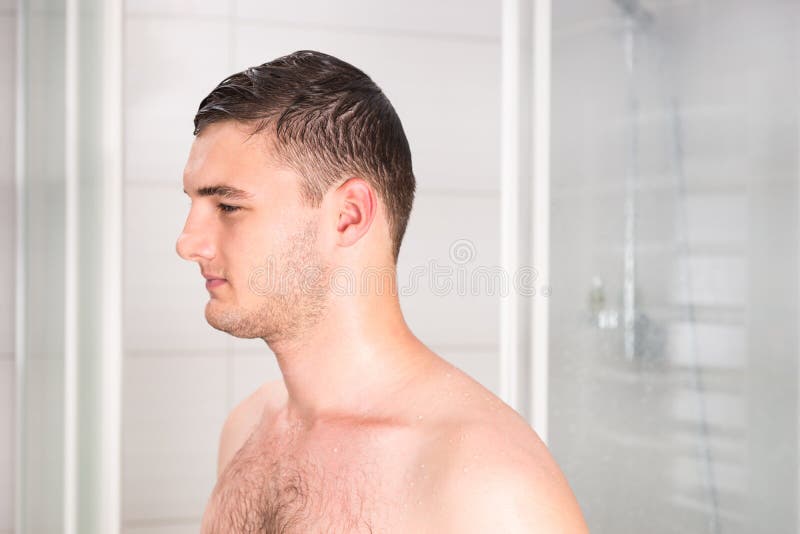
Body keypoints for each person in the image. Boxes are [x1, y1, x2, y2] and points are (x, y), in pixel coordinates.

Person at [176, 49, 588, 533]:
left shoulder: (491, 488)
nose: (187, 243)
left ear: (348, 215)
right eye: (194, 204)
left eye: (227, 206)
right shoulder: (247, 429)